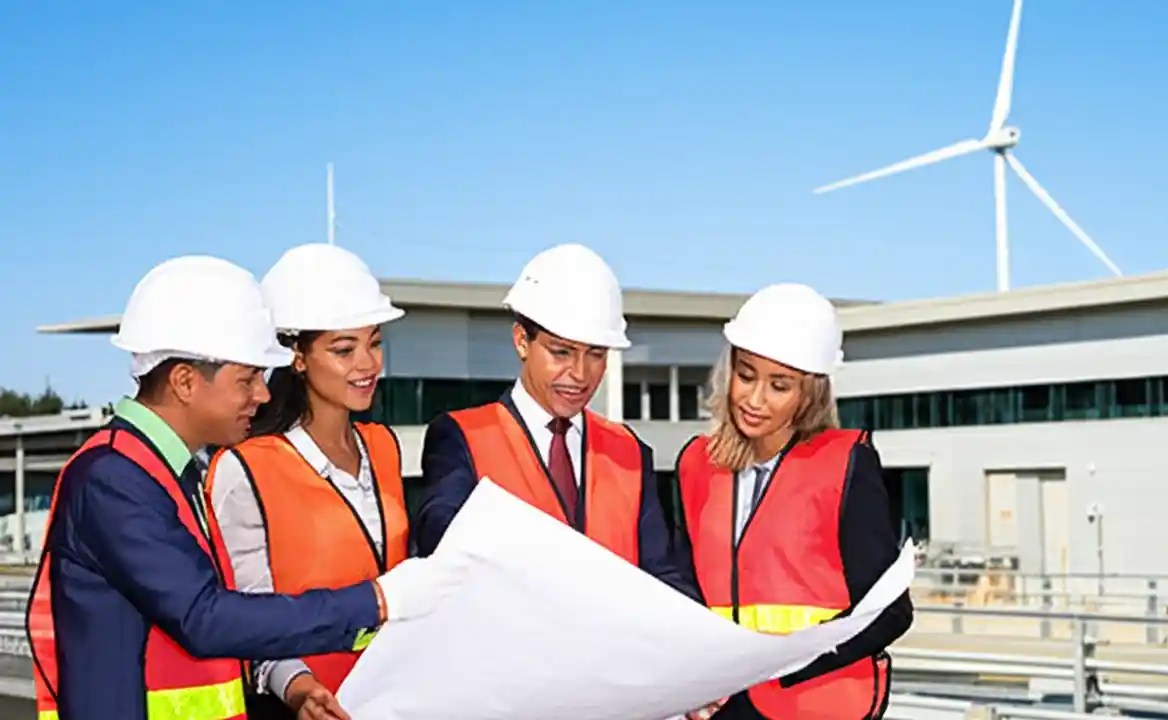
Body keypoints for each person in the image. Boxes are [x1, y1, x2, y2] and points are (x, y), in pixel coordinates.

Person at [26, 255, 439, 720]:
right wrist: (374, 601)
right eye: (247, 379)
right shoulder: (113, 478)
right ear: (184, 381)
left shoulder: (163, 472)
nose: (262, 395)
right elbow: (206, 617)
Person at [674, 283, 914, 720]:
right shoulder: (695, 465)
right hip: (719, 705)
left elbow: (891, 612)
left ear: (810, 394)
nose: (755, 399)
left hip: (816, 704)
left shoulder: (847, 465)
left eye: (779, 386)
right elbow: (680, 588)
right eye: (746, 375)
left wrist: (786, 663)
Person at [412, 243, 697, 598]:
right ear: (521, 341)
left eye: (595, 354)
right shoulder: (462, 439)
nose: (579, 374)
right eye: (561, 352)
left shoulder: (630, 451)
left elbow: (664, 577)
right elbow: (442, 549)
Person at [205, 244, 409, 719]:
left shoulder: (384, 447)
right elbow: (246, 618)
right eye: (343, 349)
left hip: (397, 700)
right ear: (297, 355)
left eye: (374, 342)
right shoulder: (246, 468)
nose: (367, 364)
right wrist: (299, 688)